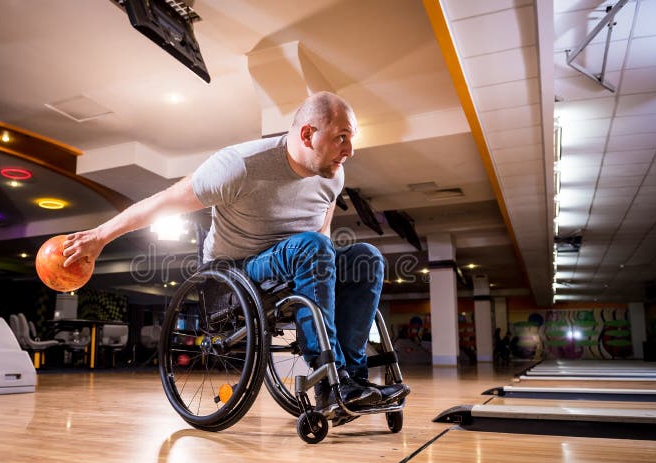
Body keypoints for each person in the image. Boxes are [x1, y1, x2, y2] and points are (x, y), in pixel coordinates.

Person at [62, 91, 409, 421]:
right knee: (312, 248)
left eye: (352, 139)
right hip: (235, 273)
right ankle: (328, 378)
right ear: (307, 134)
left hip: (294, 262)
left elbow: (322, 235)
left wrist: (330, 279)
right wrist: (99, 236)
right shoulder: (239, 166)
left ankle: (351, 379)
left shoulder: (333, 175)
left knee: (367, 256)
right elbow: (164, 201)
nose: (350, 150)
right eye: (342, 138)